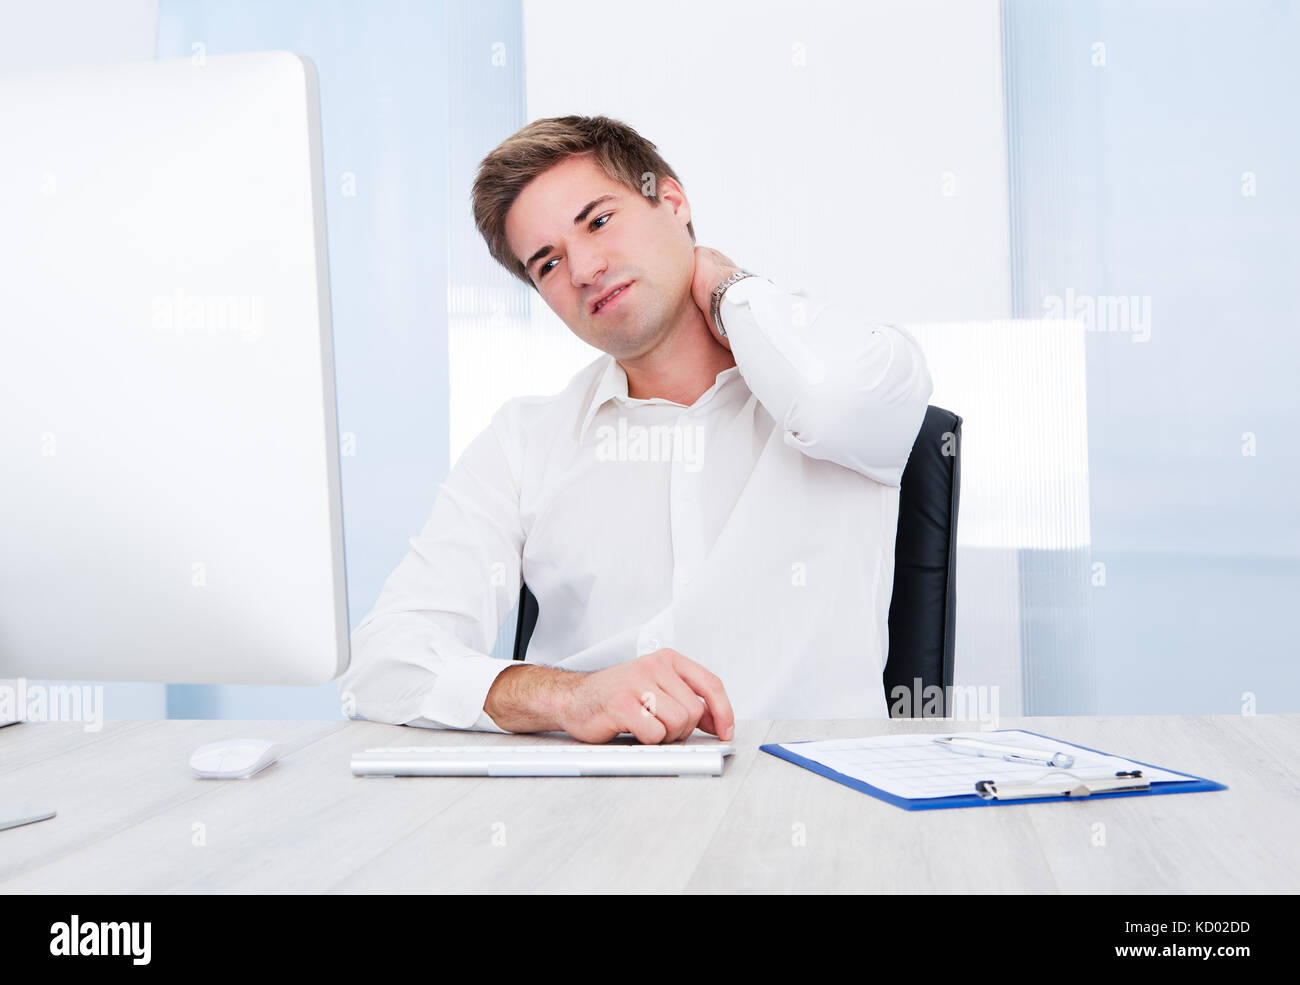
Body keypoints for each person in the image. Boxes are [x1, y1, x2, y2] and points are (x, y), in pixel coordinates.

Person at [337, 115, 932, 744]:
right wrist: (569, 697)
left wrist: (726, 286)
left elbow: (832, 398)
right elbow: (382, 663)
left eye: (598, 221)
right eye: (547, 263)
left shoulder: (858, 373)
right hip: (595, 789)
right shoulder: (524, 441)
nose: (583, 269)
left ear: (671, 202)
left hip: (804, 786)